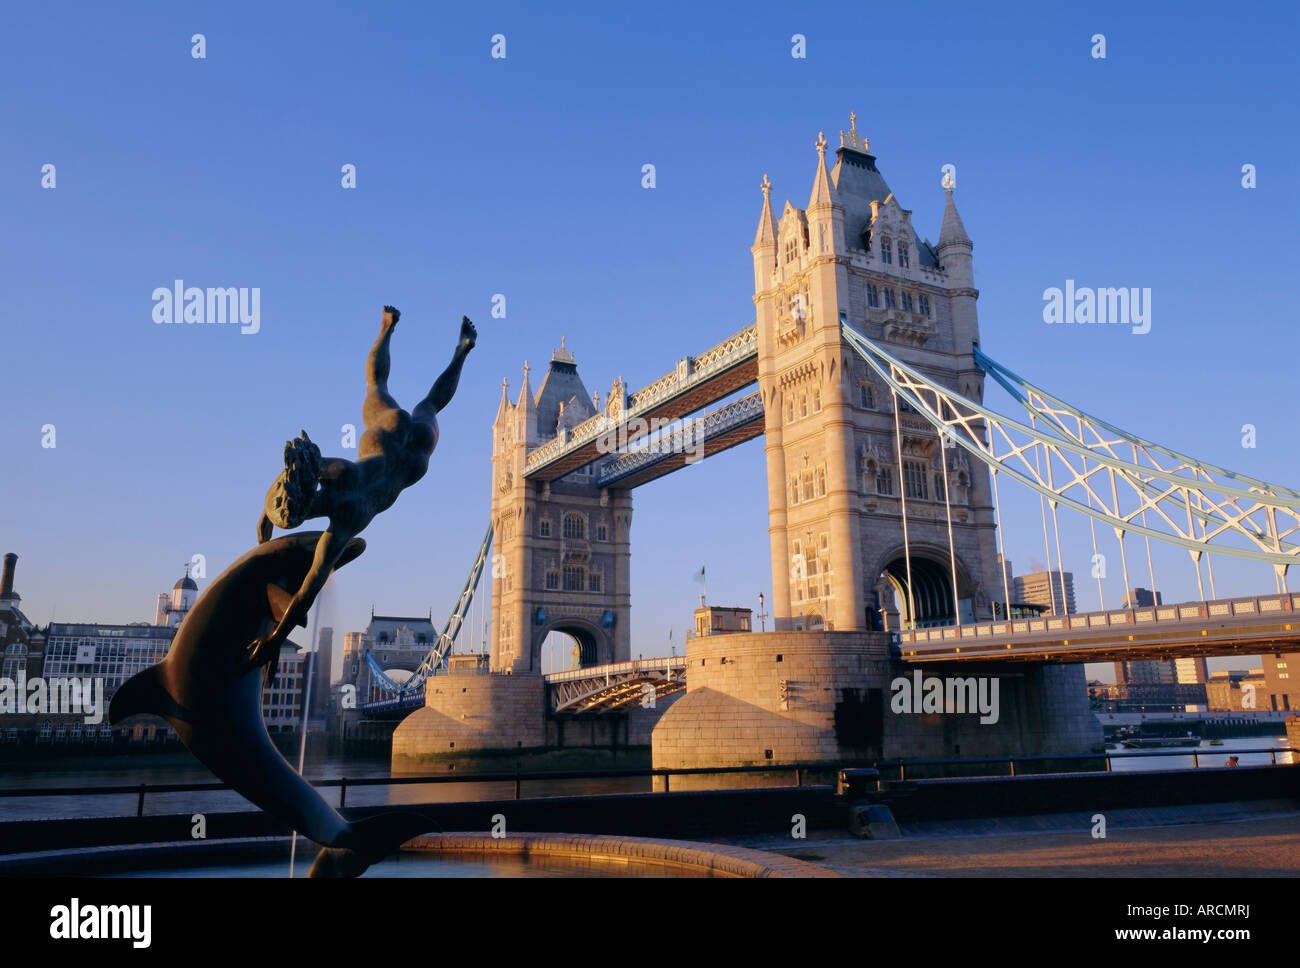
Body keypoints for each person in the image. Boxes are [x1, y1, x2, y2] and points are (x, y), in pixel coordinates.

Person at [249, 305, 476, 672]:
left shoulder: (346, 525)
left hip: (414, 461)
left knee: (427, 403)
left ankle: (456, 349)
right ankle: (400, 332)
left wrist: (274, 639)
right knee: (380, 386)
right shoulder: (337, 473)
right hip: (388, 435)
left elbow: (308, 589)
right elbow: (295, 476)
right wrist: (266, 520)